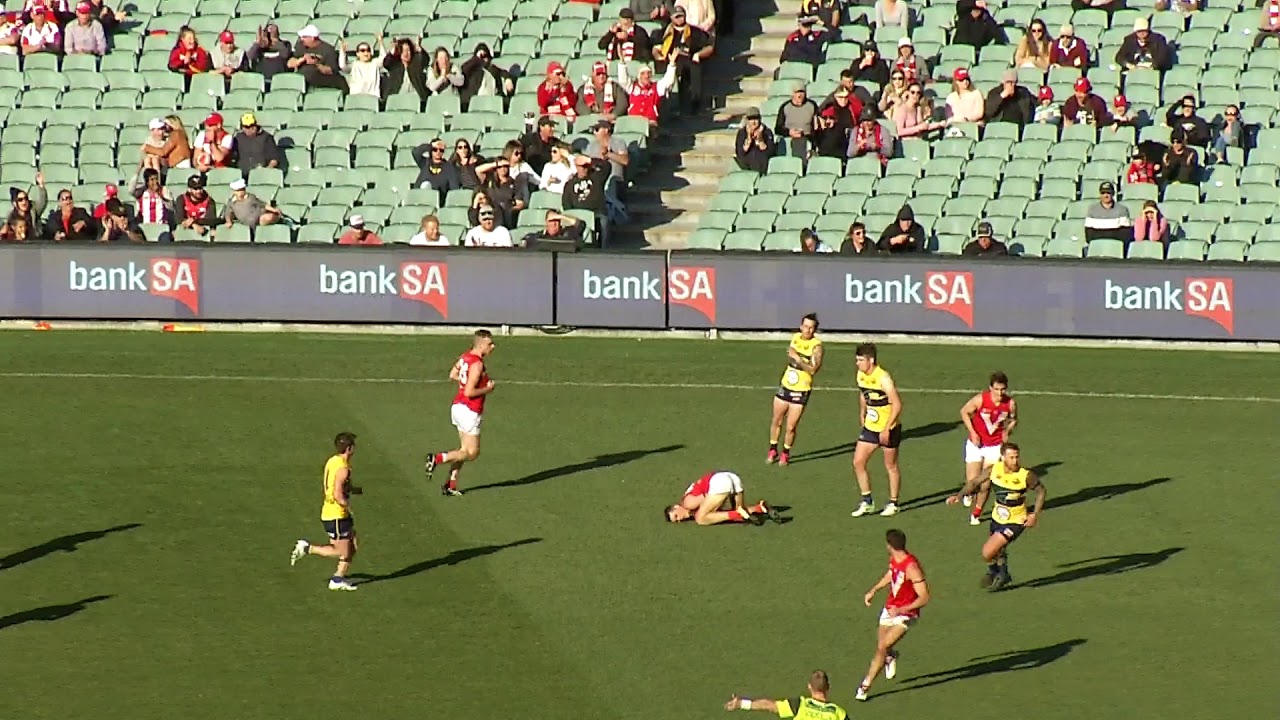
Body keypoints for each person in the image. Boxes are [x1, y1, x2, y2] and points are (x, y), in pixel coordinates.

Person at [947, 442, 1046, 591]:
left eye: (1017, 457)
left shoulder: (1025, 475)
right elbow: (974, 482)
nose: (1015, 461)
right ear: (1003, 457)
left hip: (1016, 520)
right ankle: (1003, 574)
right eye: (1011, 457)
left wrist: (1034, 515)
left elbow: (1041, 491)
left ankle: (994, 571)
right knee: (998, 549)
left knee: (987, 552)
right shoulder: (994, 470)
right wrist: (959, 496)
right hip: (997, 517)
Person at [854, 528, 929, 702]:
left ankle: (865, 685)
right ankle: (891, 655)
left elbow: (925, 596)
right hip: (890, 607)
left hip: (906, 613)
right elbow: (891, 574)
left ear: (889, 545)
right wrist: (874, 589)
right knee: (881, 645)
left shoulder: (912, 568)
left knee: (883, 646)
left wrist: (902, 610)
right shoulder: (895, 559)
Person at [425, 330, 497, 497]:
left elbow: (453, 374)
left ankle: (450, 484)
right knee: (471, 453)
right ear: (481, 345)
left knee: (464, 450)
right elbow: (470, 392)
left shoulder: (465, 357)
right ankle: (437, 458)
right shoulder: (477, 364)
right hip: (469, 409)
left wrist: (465, 382)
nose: (492, 347)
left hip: (457, 407)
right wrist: (488, 388)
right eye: (489, 344)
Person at [289, 432, 363, 592]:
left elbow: (329, 483)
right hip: (336, 515)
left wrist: (353, 490)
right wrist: (346, 505)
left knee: (354, 544)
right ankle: (307, 548)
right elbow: (337, 494)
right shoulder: (343, 468)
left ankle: (338, 578)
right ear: (349, 448)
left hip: (335, 513)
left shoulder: (333, 461)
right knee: (341, 551)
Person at [852, 343, 904, 518]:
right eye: (857, 360)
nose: (857, 363)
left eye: (860, 360)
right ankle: (867, 501)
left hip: (888, 428)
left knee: (890, 465)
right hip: (870, 427)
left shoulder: (883, 378)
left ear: (871, 360)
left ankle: (893, 502)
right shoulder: (860, 375)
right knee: (858, 462)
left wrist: (887, 428)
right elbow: (863, 394)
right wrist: (862, 412)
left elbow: (897, 404)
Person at [957, 372, 1017, 523]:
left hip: (995, 446)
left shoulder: (1010, 404)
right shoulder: (980, 399)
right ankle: (969, 493)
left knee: (986, 483)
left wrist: (1007, 431)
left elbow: (1014, 419)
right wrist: (972, 432)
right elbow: (964, 412)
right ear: (991, 388)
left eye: (1002, 389)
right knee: (973, 481)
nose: (999, 393)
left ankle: (976, 513)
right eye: (996, 389)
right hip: (975, 444)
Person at [767, 313, 823, 466]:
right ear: (801, 327)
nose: (808, 330)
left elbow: (812, 369)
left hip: (801, 390)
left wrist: (798, 359)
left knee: (791, 426)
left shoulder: (816, 346)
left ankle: (785, 452)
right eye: (805, 326)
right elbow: (790, 355)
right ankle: (773, 449)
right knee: (776, 420)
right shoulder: (795, 338)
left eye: (811, 328)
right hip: (786, 386)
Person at [663, 470, 779, 526]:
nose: (679, 519)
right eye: (676, 520)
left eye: (676, 516)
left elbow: (706, 497)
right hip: (732, 478)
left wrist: (710, 509)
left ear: (676, 506)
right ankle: (761, 507)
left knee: (700, 518)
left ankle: (740, 514)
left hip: (719, 482)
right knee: (738, 509)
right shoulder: (688, 500)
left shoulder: (687, 502)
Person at [725, 671, 848, 719]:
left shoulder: (800, 705)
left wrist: (741, 703)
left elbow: (770, 705)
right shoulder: (838, 713)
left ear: (809, 686)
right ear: (828, 687)